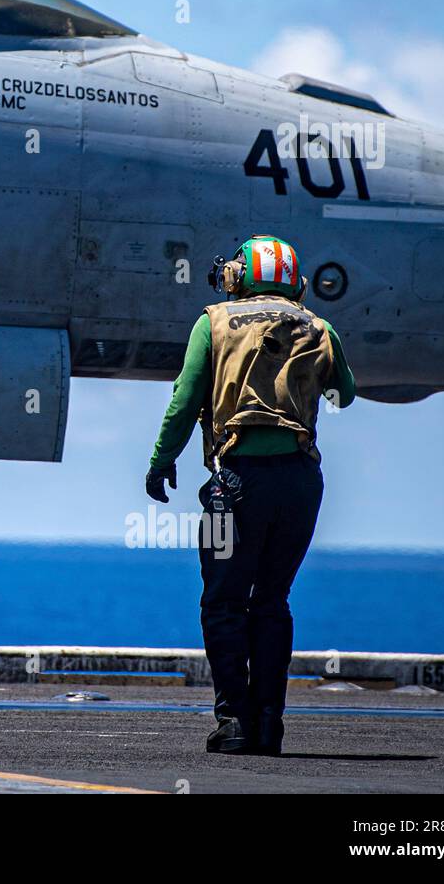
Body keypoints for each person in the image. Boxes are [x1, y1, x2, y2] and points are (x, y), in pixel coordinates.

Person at [145, 235, 356, 756]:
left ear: (241, 275)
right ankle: (269, 723)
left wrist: (160, 461)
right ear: (295, 281)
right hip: (301, 485)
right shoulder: (320, 327)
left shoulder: (213, 322)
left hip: (231, 487)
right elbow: (344, 394)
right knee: (273, 599)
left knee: (222, 600)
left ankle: (232, 722)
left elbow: (184, 400)